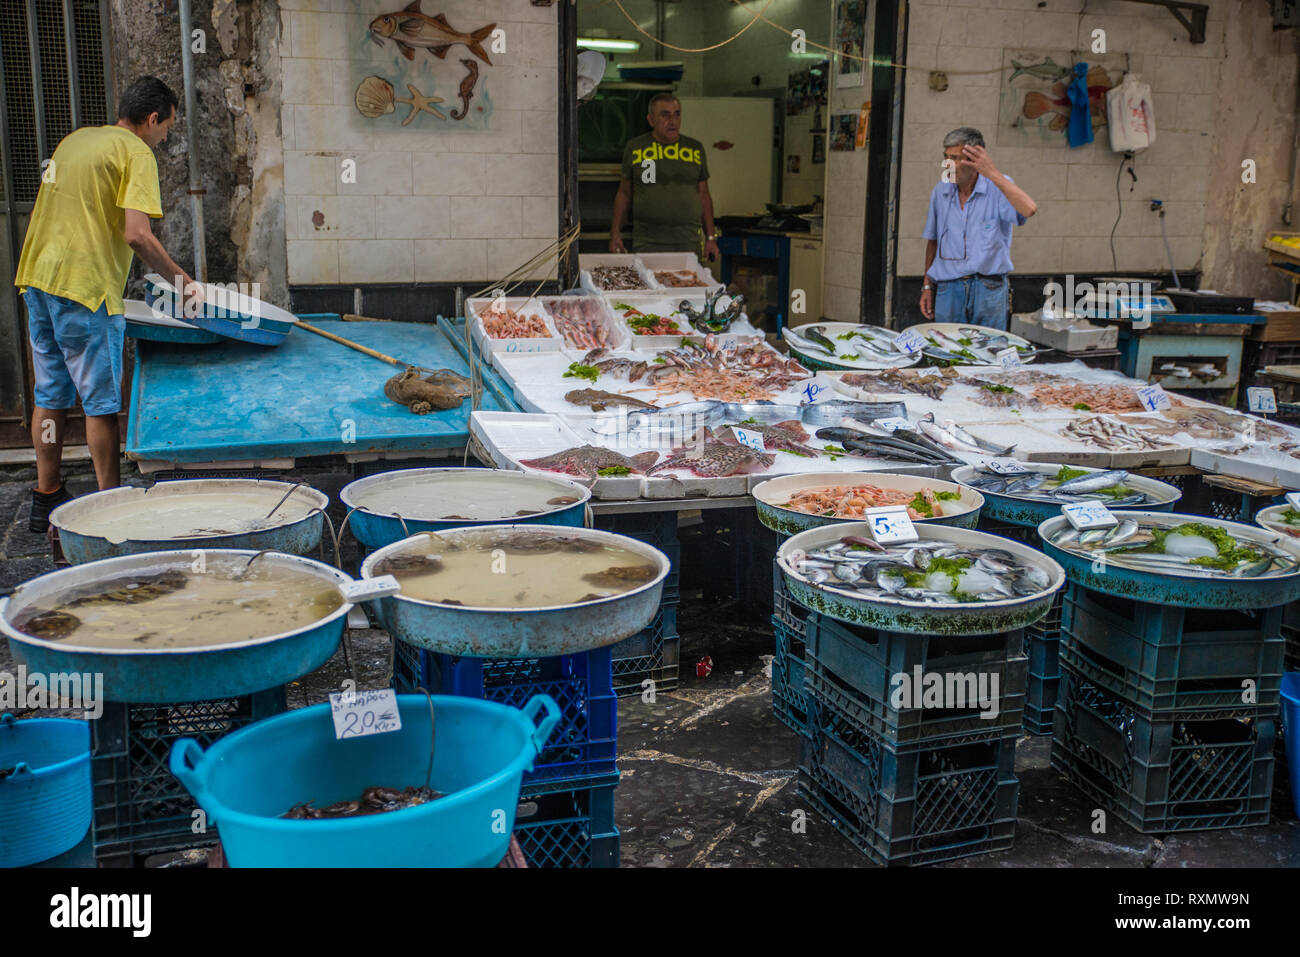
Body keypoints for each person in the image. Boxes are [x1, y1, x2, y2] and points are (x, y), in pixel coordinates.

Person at [14, 75, 201, 532]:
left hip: (38, 278)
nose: (163, 138)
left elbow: (44, 210)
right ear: (152, 119)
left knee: (50, 394)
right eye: (166, 129)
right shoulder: (135, 153)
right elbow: (137, 234)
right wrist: (183, 282)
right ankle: (112, 509)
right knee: (100, 405)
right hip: (85, 287)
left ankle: (47, 494)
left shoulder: (75, 141)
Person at [920, 127, 1037, 331]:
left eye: (955, 158)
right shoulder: (941, 190)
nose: (948, 164)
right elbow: (933, 240)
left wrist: (991, 172)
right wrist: (927, 285)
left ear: (975, 160)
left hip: (988, 289)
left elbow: (1029, 209)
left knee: (987, 352)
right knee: (947, 351)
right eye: (946, 157)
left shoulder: (998, 186)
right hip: (949, 288)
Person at [609, 93, 720, 262]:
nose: (673, 120)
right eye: (665, 115)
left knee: (688, 285)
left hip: (688, 240)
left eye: (677, 114)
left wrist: (711, 238)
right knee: (651, 286)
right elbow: (624, 193)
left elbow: (704, 195)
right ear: (651, 120)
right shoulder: (636, 147)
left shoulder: (695, 148)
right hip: (648, 241)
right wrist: (615, 234)